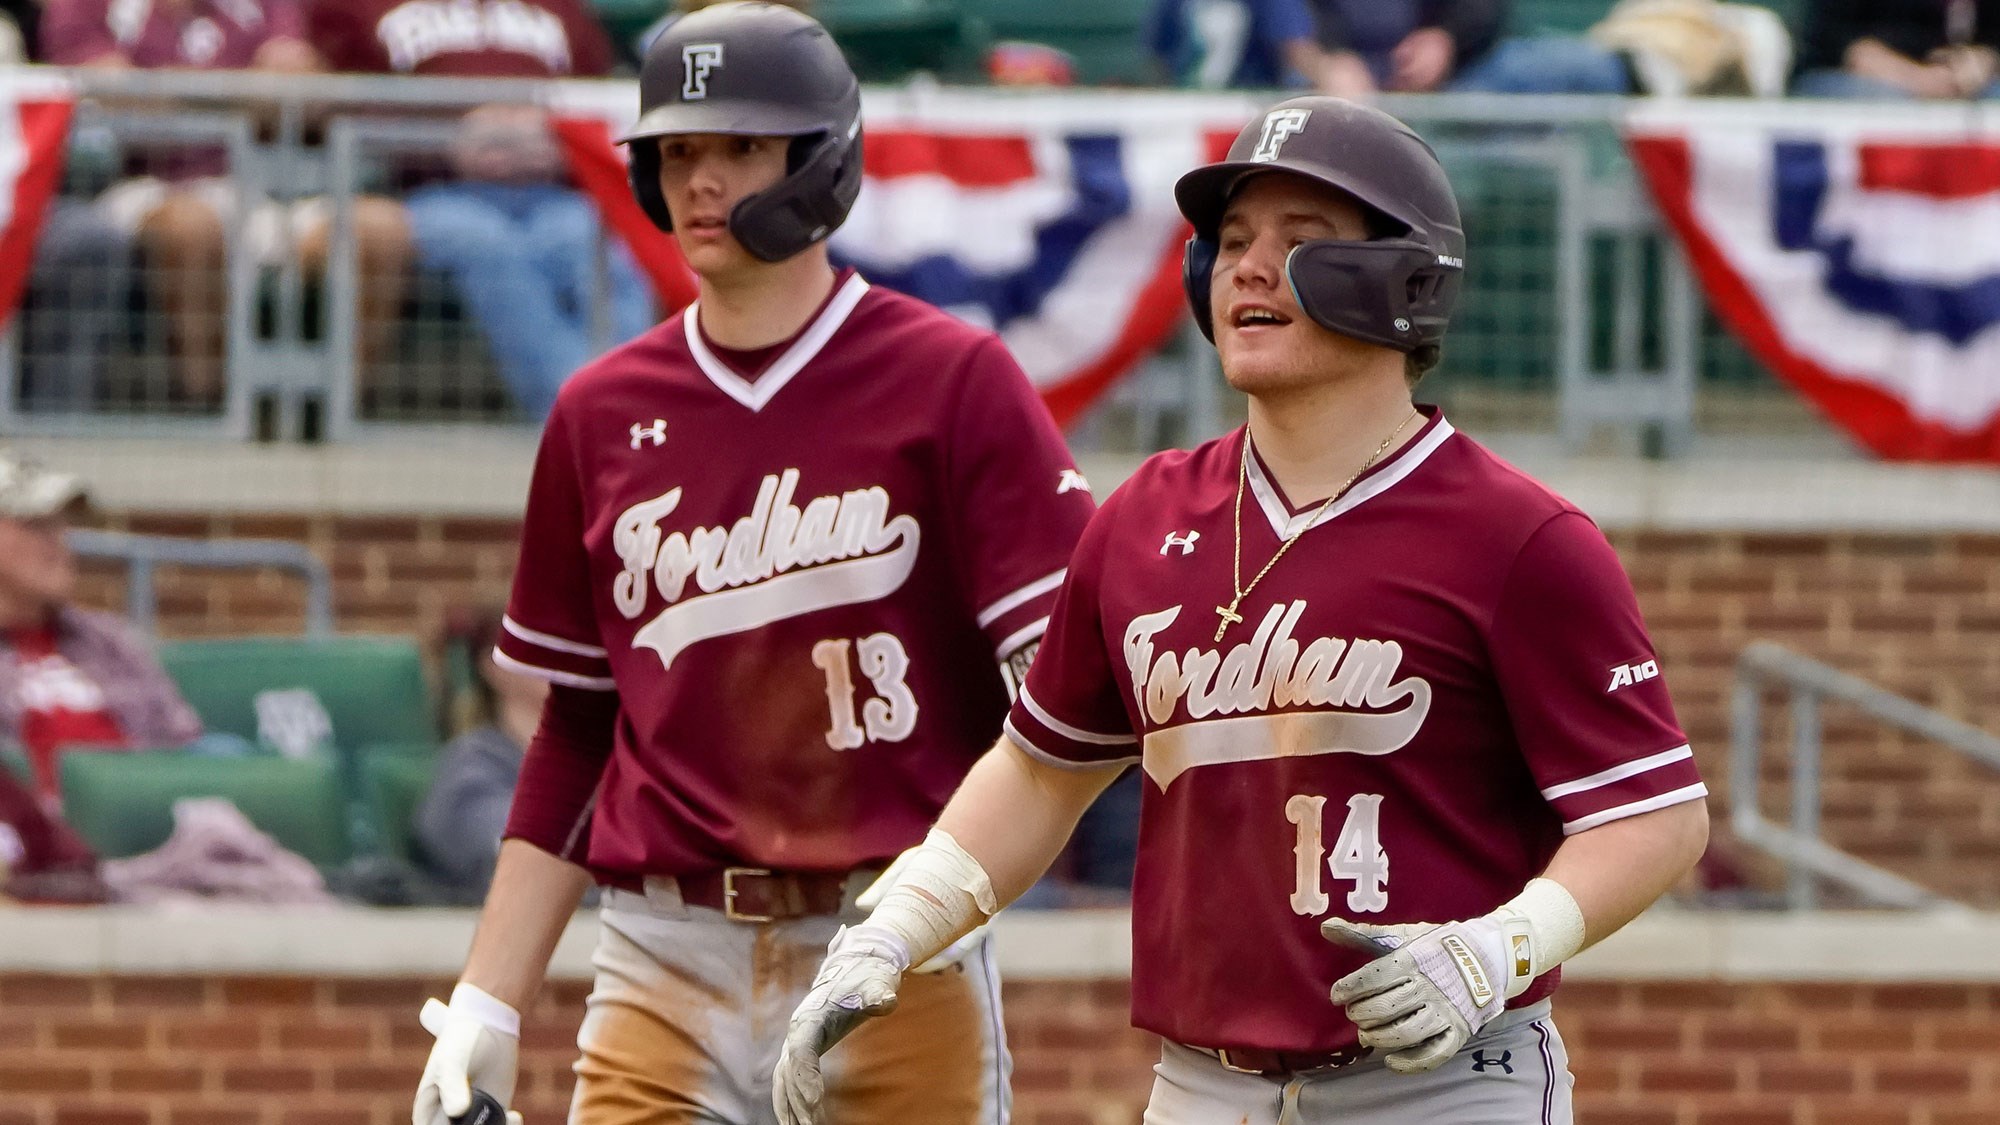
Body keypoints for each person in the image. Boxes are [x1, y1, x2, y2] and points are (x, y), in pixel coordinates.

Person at [775, 96, 1713, 1125]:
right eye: (1228, 242)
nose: (1245, 269)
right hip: (1198, 1085)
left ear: (1403, 280)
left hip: (1440, 1083)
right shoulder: (1140, 517)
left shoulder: (1517, 538)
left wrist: (1504, 944)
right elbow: (1042, 769)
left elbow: (1652, 818)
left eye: (1298, 243)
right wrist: (903, 917)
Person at [408, 6, 1093, 1125]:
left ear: (820, 160)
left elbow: (1068, 697)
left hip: (887, 940)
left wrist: (954, 894)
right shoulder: (599, 410)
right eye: (677, 150)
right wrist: (489, 997)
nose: (700, 180)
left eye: (737, 147)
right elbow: (576, 728)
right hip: (659, 952)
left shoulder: (950, 377)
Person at [40, 0, 412, 407]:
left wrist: (177, 89)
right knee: (191, 226)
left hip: (271, 186)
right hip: (142, 184)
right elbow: (118, 94)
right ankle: (209, 408)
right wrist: (246, 90)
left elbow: (299, 85)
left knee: (380, 228)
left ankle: (332, 417)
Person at [310, 0, 655, 420]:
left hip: (550, 192)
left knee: (593, 241)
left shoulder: (559, 8)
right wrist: (445, 140)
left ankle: (628, 402)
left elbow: (598, 97)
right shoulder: (363, 8)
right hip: (437, 192)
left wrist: (558, 140)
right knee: (486, 246)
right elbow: (339, 103)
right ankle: (586, 418)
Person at [0, 451, 205, 806]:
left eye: (59, 525)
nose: (58, 543)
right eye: (35, 525)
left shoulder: (107, 640)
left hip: (152, 824)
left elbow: (183, 747)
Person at [412, 610, 549, 896]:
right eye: (546, 642)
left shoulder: (611, 761)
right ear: (495, 666)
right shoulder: (469, 769)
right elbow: (517, 859)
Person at [1794, 0, 2000, 99]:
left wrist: (1985, 60)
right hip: (1854, 75)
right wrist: (1919, 79)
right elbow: (1839, 41)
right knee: (1891, 106)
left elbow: (1990, 38)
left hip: (1953, 79)